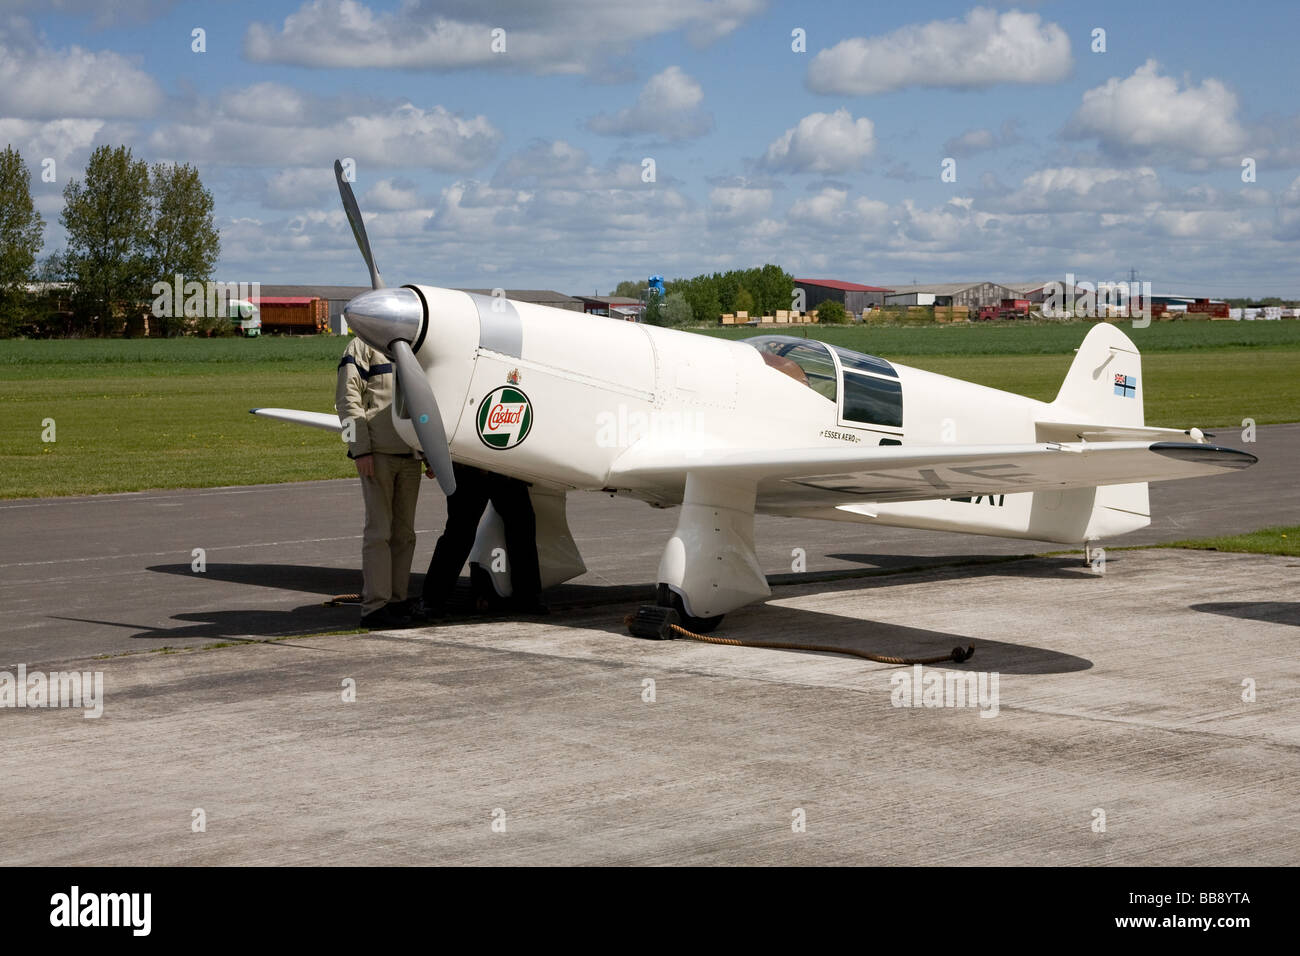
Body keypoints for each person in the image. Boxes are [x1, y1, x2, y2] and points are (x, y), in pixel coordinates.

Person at [335, 336, 430, 628]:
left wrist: (430, 452)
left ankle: (397, 602)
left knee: (404, 534)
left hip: (411, 455)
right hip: (377, 455)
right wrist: (360, 449)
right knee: (379, 532)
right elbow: (347, 399)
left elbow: (428, 398)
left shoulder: (418, 345)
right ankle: (374, 608)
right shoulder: (360, 347)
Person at [418, 462, 547, 618]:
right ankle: (432, 599)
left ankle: (527, 596)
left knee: (522, 523)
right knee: (460, 532)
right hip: (469, 466)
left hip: (501, 466)